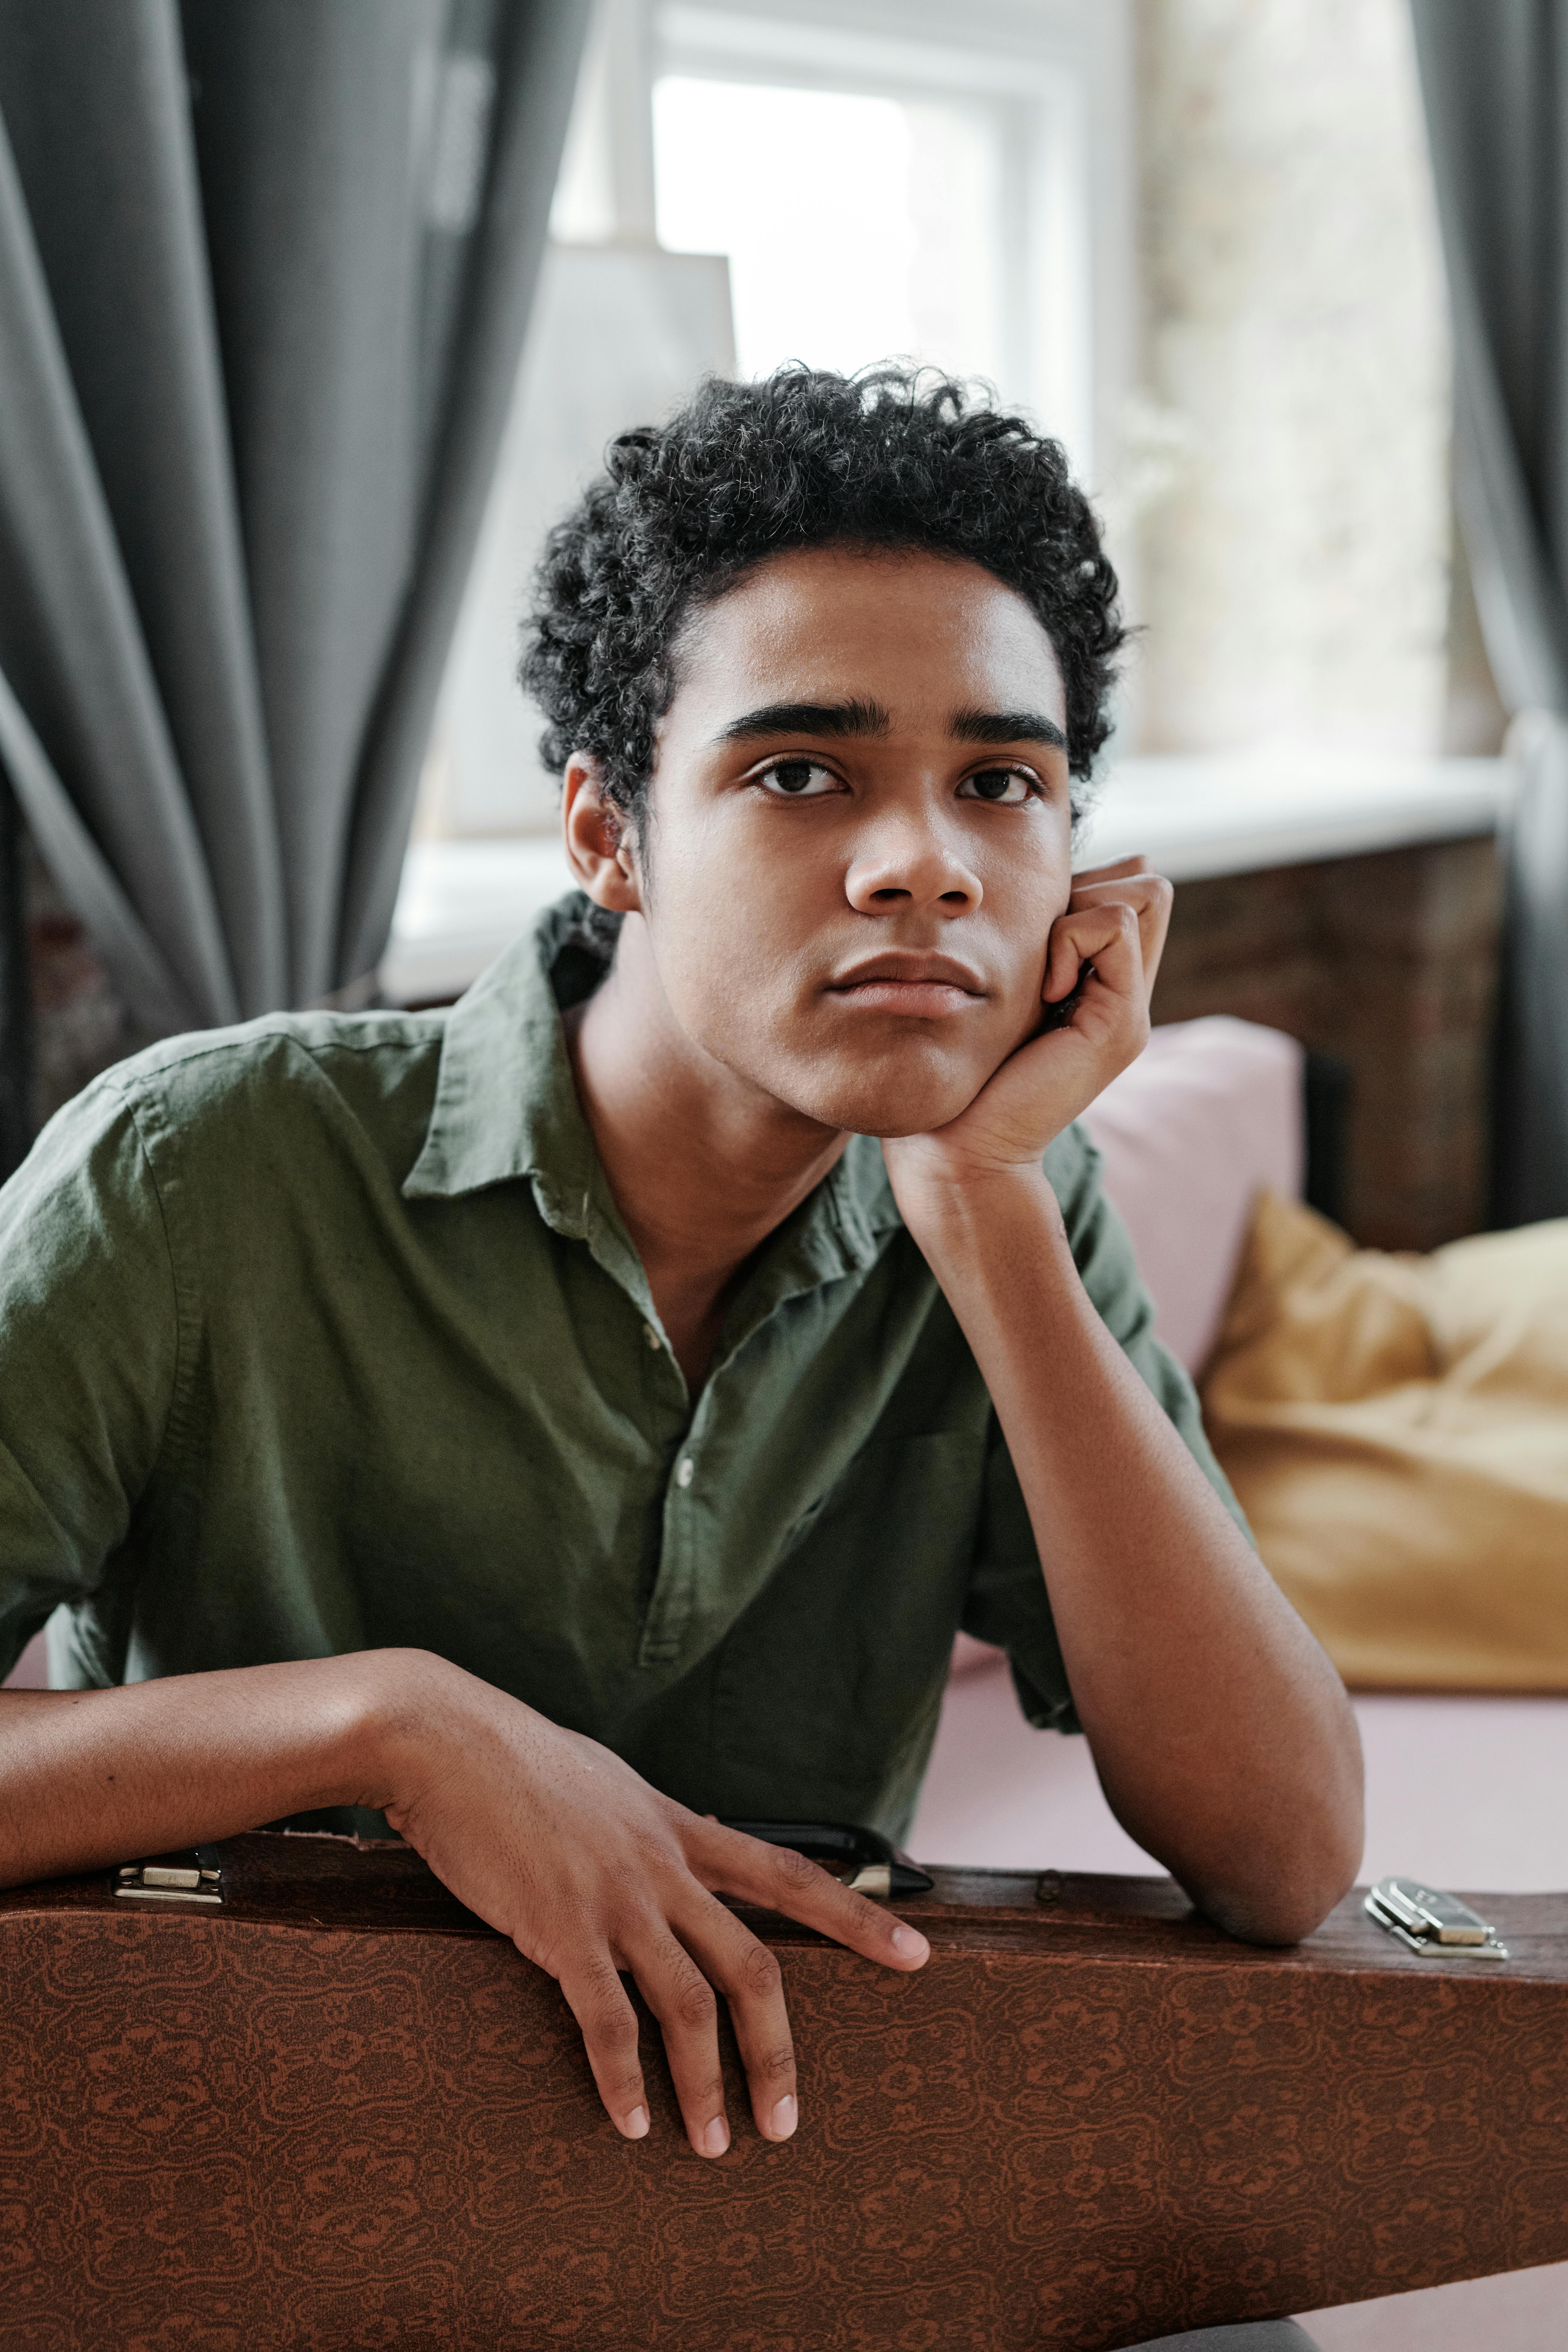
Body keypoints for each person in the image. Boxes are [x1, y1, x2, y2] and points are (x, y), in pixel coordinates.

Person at [0, 369, 1358, 2339]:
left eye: (1003, 781)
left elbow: (1285, 1855)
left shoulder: (1008, 1208)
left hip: (775, 2171)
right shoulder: (201, 1165)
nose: (926, 862)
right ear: (606, 832)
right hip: (260, 2169)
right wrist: (392, 1726)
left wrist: (984, 1208)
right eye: (800, 773)